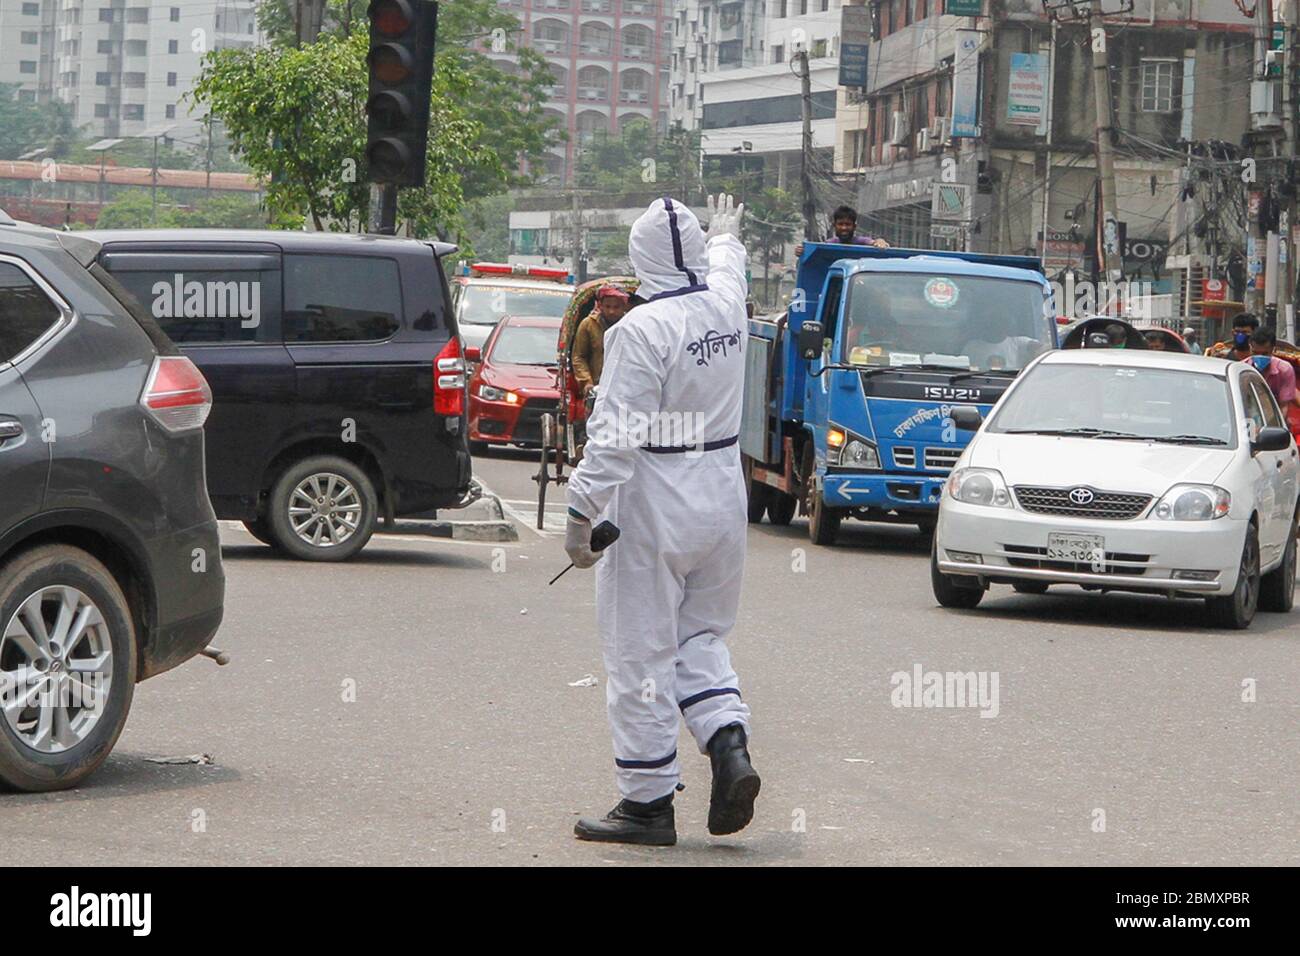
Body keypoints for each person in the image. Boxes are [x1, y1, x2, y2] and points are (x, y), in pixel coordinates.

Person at [564, 194, 759, 847]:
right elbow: (730, 266)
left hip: (656, 499)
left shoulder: (639, 332)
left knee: (639, 651)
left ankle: (646, 805)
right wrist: (727, 238)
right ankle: (728, 743)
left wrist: (579, 511)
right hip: (725, 491)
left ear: (640, 260)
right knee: (700, 636)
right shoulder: (728, 305)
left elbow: (615, 440)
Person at [571, 285, 629, 398]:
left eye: (616, 307)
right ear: (600, 306)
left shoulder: (631, 325)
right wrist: (587, 382)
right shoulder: (588, 324)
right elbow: (579, 357)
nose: (611, 311)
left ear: (624, 307)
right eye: (607, 306)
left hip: (624, 388)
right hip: (597, 388)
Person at [794, 205, 889, 257]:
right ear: (834, 225)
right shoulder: (829, 244)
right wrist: (801, 251)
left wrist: (880, 242)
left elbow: (874, 242)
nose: (844, 228)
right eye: (840, 224)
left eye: (847, 224)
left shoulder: (862, 242)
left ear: (854, 226)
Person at [1247, 327, 1298, 413]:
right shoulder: (1243, 369)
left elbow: (1284, 406)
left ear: (1273, 350)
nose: (1260, 357)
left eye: (1264, 353)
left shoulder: (1285, 370)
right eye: (1255, 353)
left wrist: (1276, 426)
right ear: (1250, 348)